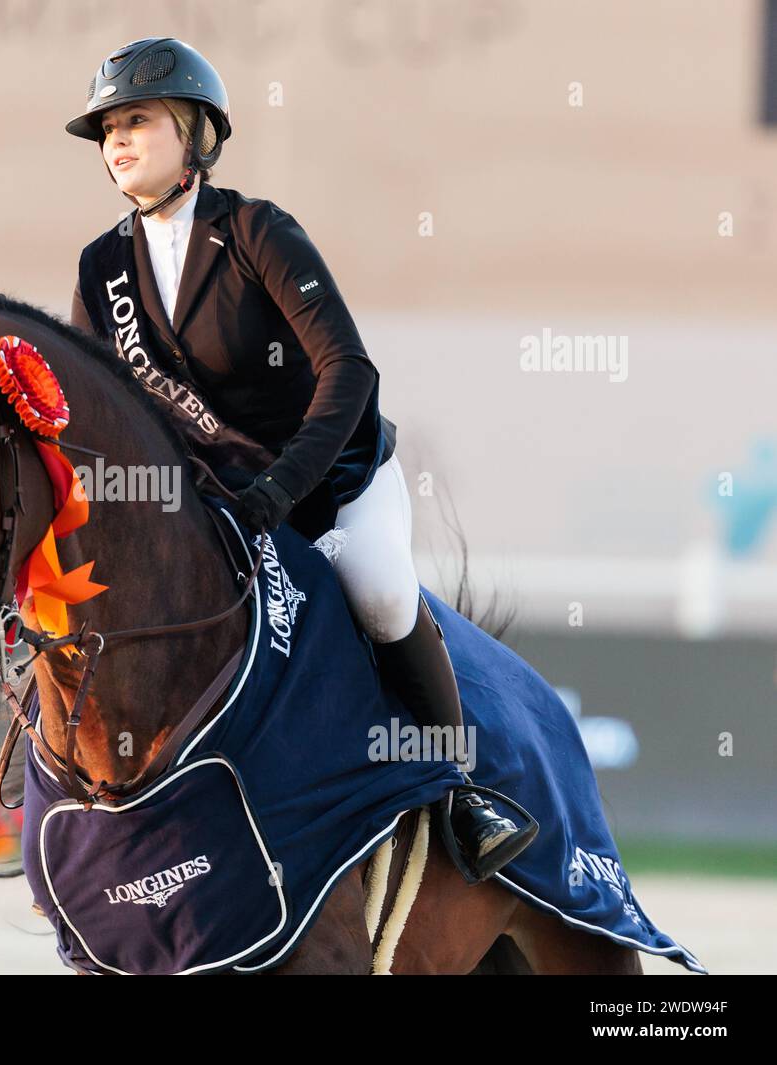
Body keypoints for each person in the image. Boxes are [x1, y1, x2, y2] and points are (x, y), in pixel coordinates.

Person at [66, 37, 534, 880]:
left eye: (136, 120)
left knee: (380, 588)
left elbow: (349, 371)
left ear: (196, 132)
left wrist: (283, 489)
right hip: (216, 502)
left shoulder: (255, 231)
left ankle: (463, 792)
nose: (118, 141)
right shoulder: (101, 269)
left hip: (332, 481)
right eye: (107, 130)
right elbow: (97, 416)